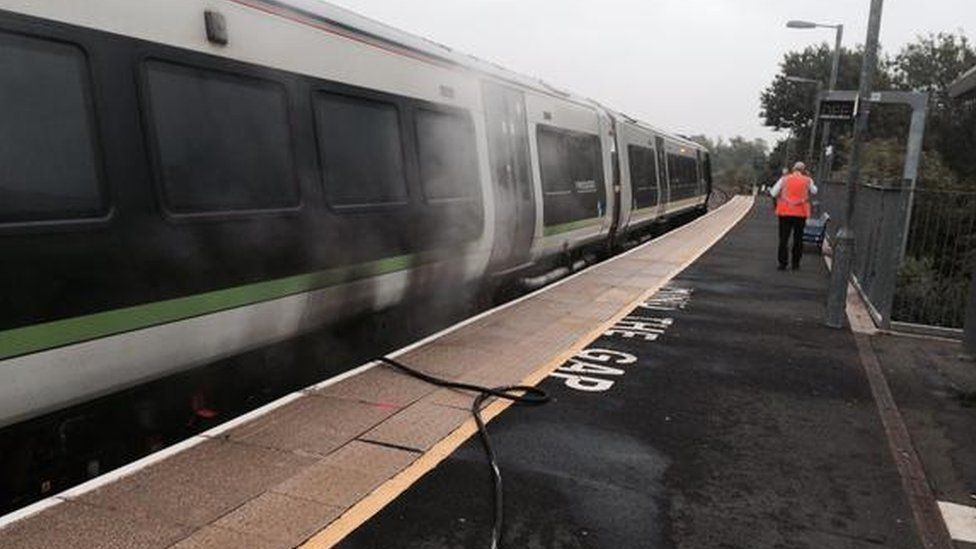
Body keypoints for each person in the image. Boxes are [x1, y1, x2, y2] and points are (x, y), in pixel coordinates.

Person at [769, 162, 818, 270]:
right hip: (800, 213)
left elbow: (773, 192)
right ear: (804, 170)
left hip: (785, 212)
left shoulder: (784, 179)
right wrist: (809, 178)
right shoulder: (807, 180)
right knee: (798, 239)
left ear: (793, 169)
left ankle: (783, 263)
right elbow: (814, 191)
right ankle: (795, 264)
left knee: (783, 239)